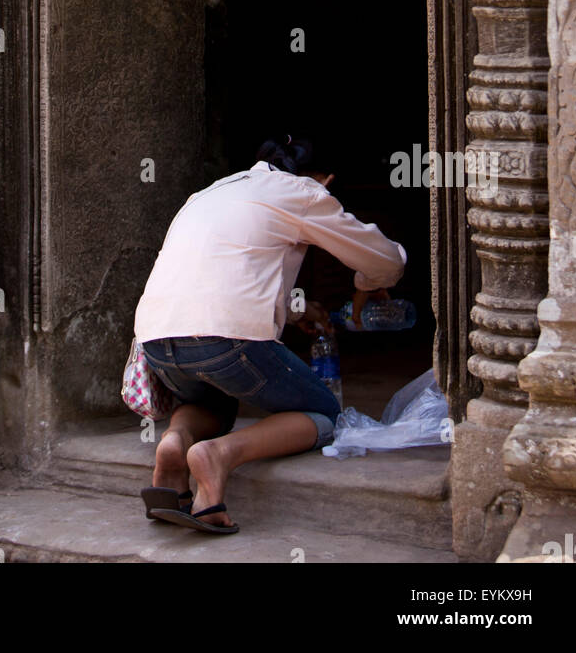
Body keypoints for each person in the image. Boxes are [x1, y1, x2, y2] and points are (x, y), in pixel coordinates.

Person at [134, 134, 407, 534]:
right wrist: (369, 283)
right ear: (325, 179)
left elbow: (221, 272)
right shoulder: (303, 192)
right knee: (326, 414)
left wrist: (297, 310)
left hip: (157, 342)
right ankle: (219, 455)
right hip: (226, 343)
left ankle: (176, 441)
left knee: (217, 404)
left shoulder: (209, 193)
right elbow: (384, 259)